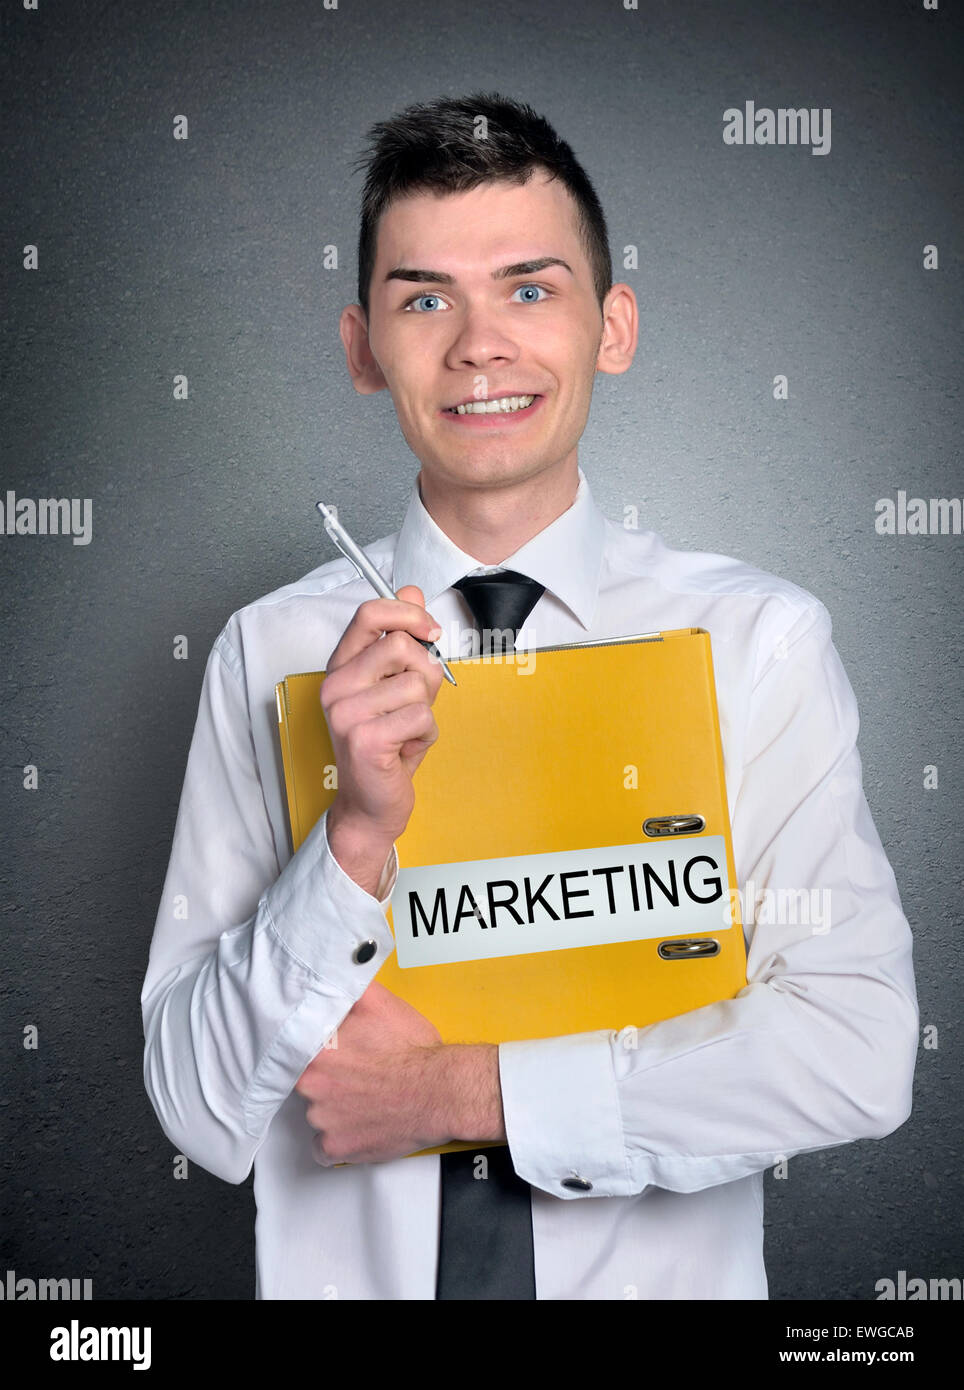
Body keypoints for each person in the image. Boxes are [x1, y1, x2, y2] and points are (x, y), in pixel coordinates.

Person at [141, 91, 918, 1300]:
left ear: (613, 326)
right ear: (362, 348)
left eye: (529, 289)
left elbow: (856, 1049)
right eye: (423, 299)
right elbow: (195, 1108)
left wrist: (469, 1092)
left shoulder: (757, 643)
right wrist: (351, 842)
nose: (478, 345)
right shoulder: (267, 653)